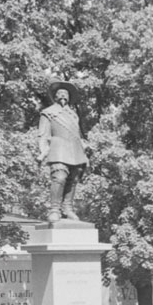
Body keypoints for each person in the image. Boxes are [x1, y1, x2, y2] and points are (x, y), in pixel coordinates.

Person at [38, 79, 88, 223]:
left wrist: (84, 147)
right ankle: (54, 209)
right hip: (58, 147)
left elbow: (77, 134)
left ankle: (68, 208)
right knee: (59, 177)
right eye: (60, 93)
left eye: (66, 93)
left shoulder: (73, 115)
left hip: (75, 149)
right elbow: (43, 134)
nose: (63, 95)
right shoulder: (48, 113)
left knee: (73, 179)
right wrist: (43, 150)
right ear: (55, 96)